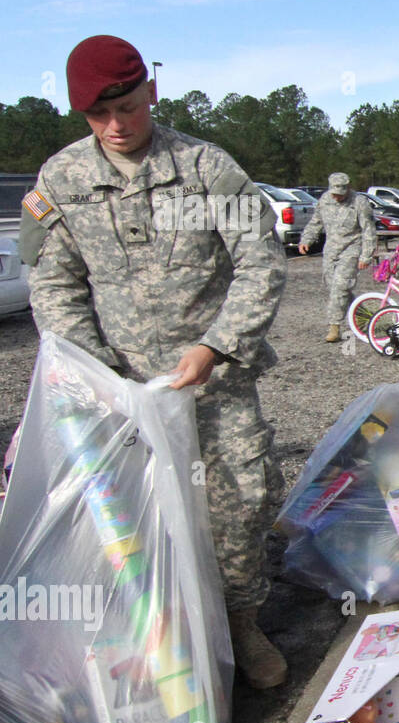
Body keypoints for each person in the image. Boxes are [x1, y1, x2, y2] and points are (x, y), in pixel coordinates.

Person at [19, 34, 289, 688]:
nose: (116, 126)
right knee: (135, 520)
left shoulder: (204, 170)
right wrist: (98, 373)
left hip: (214, 383)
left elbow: (261, 261)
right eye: (98, 115)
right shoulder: (62, 180)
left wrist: (216, 344)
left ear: (152, 91)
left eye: (128, 107)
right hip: (119, 396)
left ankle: (240, 622)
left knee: (238, 503)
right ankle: (161, 636)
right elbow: (52, 285)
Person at [299, 172, 377, 342]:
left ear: (348, 189)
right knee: (334, 287)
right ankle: (364, 317)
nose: (337, 198)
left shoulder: (359, 202)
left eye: (340, 195)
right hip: (331, 250)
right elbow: (316, 221)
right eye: (334, 194)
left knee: (340, 286)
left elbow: (368, 230)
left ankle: (335, 326)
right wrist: (307, 239)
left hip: (352, 248)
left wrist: (366, 255)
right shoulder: (325, 200)